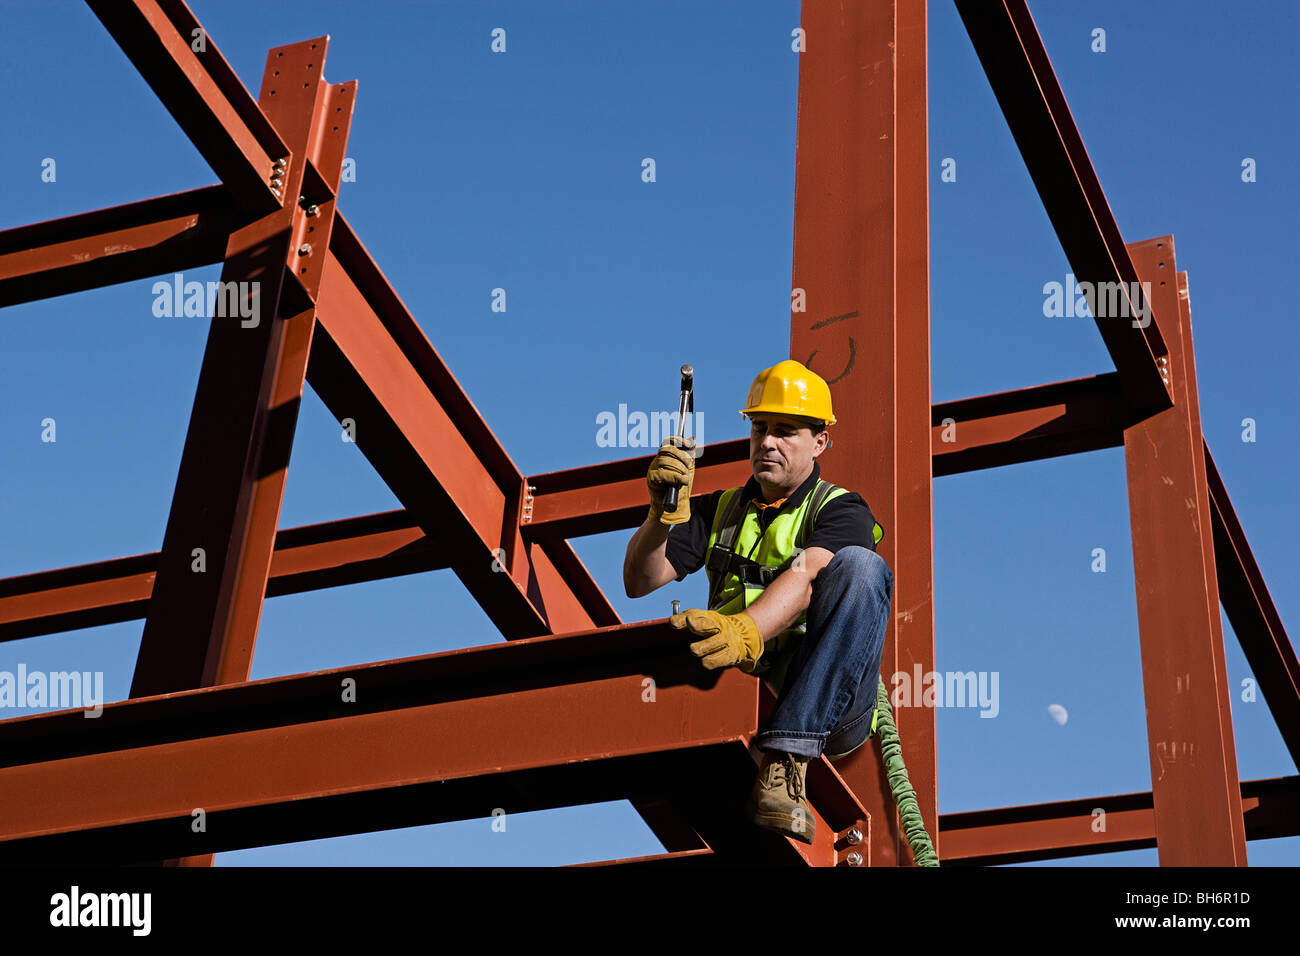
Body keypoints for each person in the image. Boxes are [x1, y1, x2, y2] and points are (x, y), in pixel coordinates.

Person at [623, 359, 894, 844]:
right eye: (760, 428)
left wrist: (744, 629)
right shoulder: (719, 510)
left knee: (861, 567)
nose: (767, 442)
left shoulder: (841, 509)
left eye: (785, 431)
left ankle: (788, 758)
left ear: (820, 441)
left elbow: (811, 570)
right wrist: (660, 516)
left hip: (829, 706)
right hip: (741, 685)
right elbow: (640, 580)